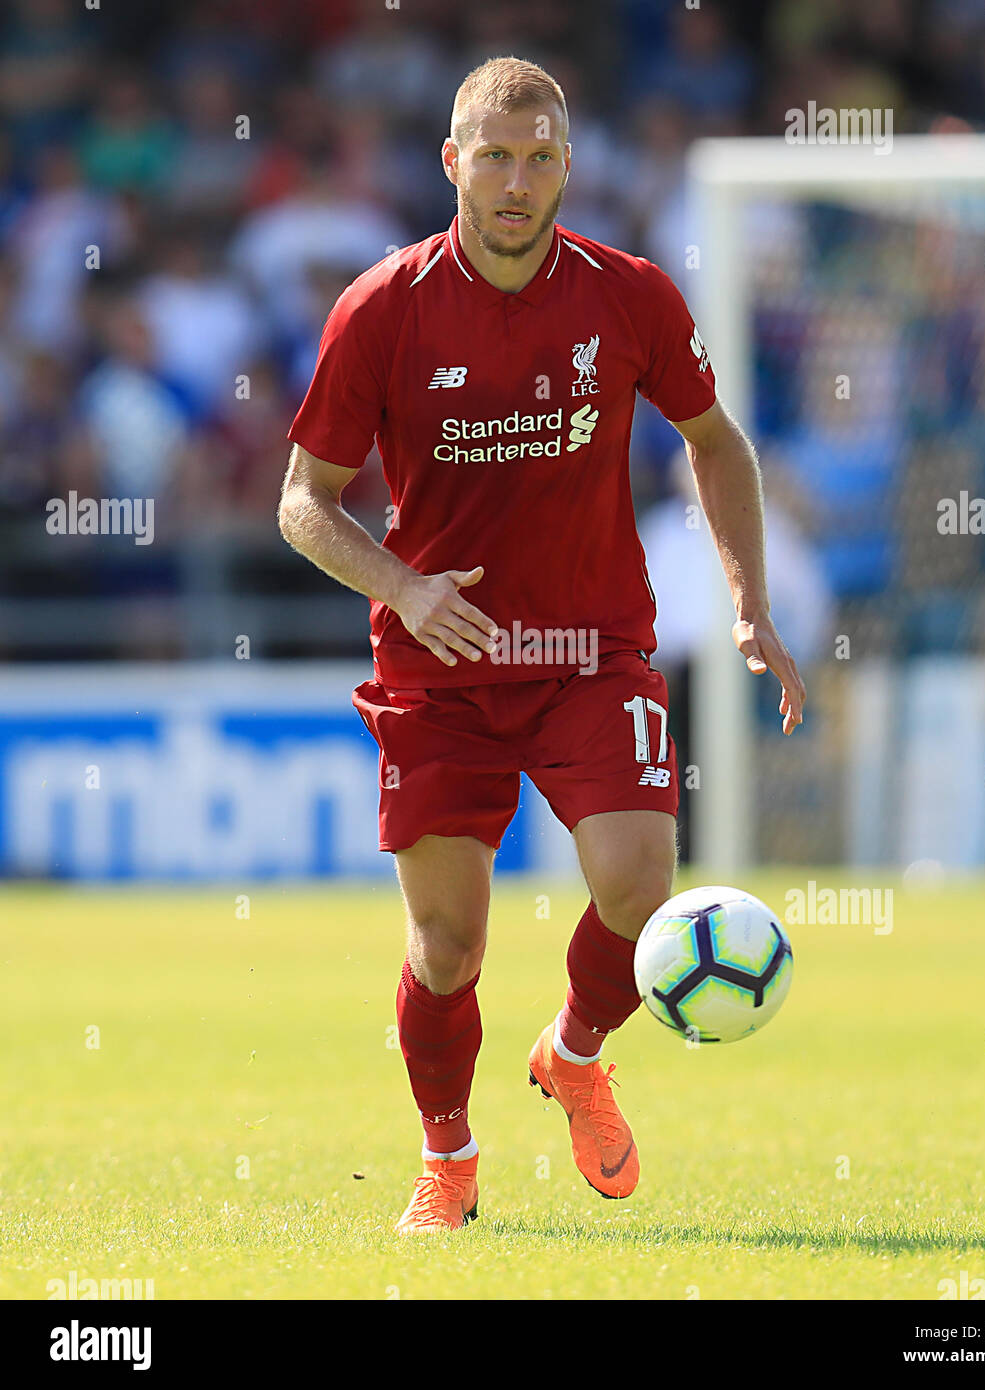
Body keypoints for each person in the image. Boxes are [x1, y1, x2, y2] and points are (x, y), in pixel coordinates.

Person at [278, 56, 805, 1234]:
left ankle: (574, 1054)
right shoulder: (382, 306)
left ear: (567, 166)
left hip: (589, 648)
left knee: (637, 883)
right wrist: (404, 589)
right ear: (451, 160)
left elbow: (715, 445)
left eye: (539, 156)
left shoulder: (629, 297)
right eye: (493, 154)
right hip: (438, 665)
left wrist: (747, 600)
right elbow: (302, 502)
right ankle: (449, 1156)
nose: (515, 180)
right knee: (449, 945)